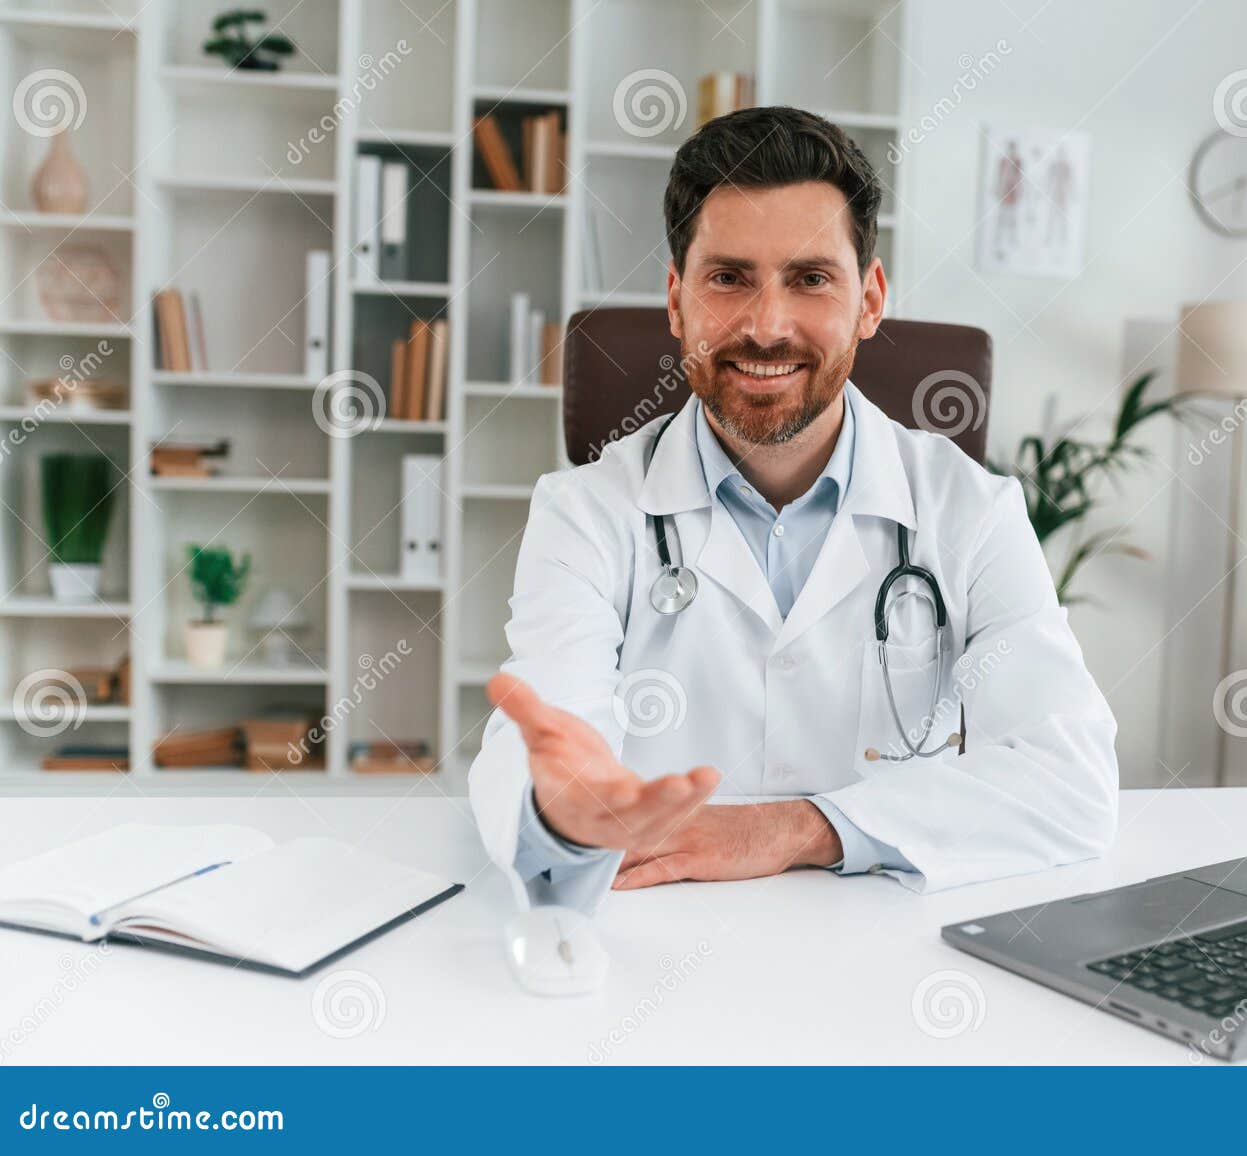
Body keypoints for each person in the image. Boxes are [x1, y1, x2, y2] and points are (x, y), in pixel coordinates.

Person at [470, 107, 1117, 913]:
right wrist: (557, 809)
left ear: (869, 300)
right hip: (654, 943)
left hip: (893, 963)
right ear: (677, 303)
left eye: (810, 279)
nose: (766, 327)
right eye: (729, 277)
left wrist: (791, 829)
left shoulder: (972, 513)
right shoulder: (587, 514)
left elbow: (1071, 781)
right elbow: (545, 736)